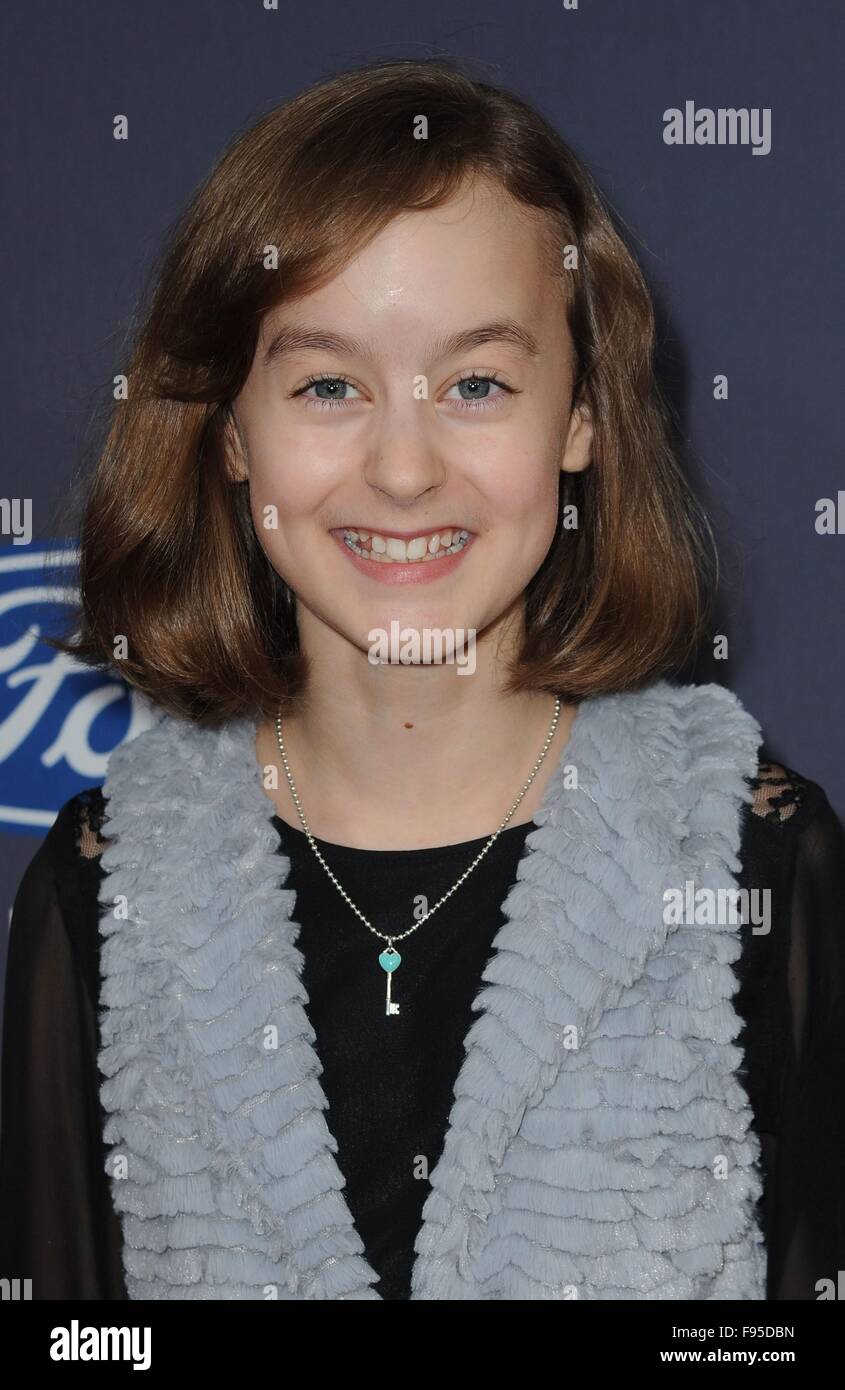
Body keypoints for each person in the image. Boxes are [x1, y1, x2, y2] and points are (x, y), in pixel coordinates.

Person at [1, 56, 843, 1301]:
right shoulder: (99, 884)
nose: (403, 468)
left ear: (580, 420)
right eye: (328, 384)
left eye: (478, 384)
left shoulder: (754, 859)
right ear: (231, 431)